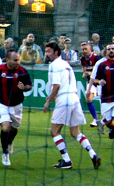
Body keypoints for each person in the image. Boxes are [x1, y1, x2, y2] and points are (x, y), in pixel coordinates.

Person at [43, 41, 101, 169]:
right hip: (74, 98)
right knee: (75, 132)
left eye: (48, 51)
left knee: (54, 131)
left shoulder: (54, 65)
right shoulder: (66, 64)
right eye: (45, 51)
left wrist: (48, 102)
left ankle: (66, 160)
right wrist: (52, 96)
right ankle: (93, 154)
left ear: (56, 52)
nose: (46, 54)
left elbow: (57, 86)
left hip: (64, 100)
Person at [0, 50, 32, 167]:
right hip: (2, 103)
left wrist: (24, 87)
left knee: (14, 129)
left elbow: (29, 86)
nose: (18, 62)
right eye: (15, 60)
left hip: (17, 105)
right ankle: (5, 153)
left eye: (19, 60)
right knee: (5, 127)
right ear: (7, 60)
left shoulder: (22, 71)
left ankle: (10, 141)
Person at [79, 42, 103, 128]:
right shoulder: (82, 59)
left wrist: (90, 73)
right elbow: (84, 69)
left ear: (90, 49)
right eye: (82, 49)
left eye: (86, 49)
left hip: (100, 82)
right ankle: (95, 119)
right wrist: (84, 73)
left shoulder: (97, 58)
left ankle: (105, 121)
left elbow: (101, 71)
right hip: (91, 83)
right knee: (88, 99)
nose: (84, 51)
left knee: (104, 103)